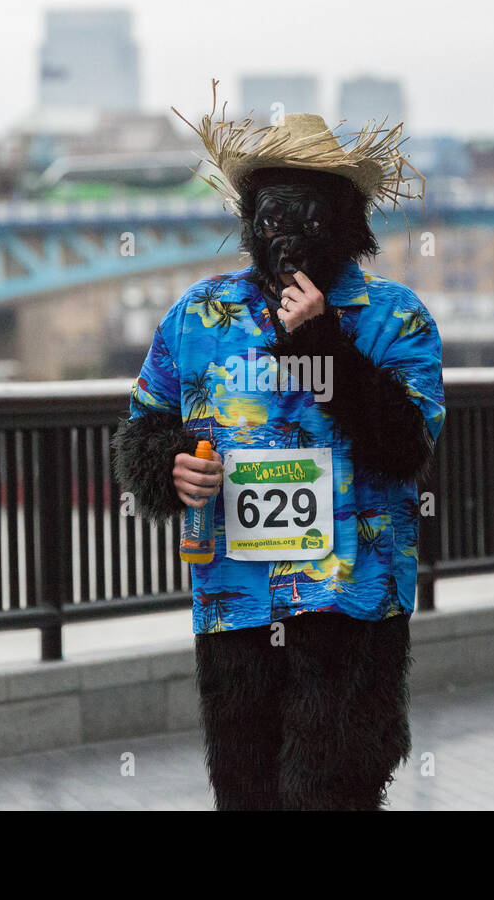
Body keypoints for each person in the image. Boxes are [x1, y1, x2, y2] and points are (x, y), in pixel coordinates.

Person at [113, 95, 444, 810]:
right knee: (248, 792)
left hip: (352, 601)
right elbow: (141, 427)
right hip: (236, 604)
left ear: (345, 223)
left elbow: (405, 446)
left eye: (309, 217)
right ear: (250, 223)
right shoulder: (199, 316)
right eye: (272, 217)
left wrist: (326, 342)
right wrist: (168, 465)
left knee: (331, 792)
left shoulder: (396, 319)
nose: (288, 235)